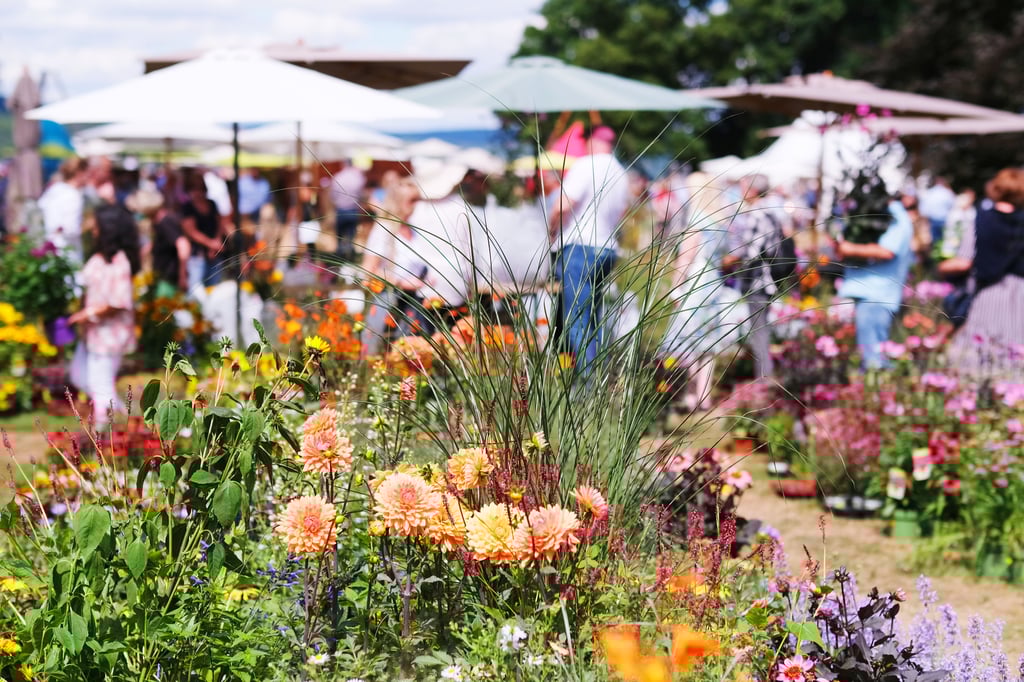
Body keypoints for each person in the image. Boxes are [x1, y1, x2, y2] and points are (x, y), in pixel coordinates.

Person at [662, 172, 747, 410]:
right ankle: (704, 395)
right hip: (713, 284)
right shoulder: (720, 224)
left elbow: (685, 258)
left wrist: (676, 288)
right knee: (708, 343)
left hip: (695, 284)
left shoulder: (697, 222)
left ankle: (691, 394)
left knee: (689, 341)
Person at [547, 124, 630, 367]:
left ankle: (588, 385)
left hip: (580, 247)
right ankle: (597, 377)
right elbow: (622, 213)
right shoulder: (620, 172)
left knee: (577, 318)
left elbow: (562, 205)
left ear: (592, 140)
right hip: (607, 248)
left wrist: (552, 228)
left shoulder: (586, 165)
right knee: (593, 316)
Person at [941, 168, 1024, 377]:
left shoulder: (982, 220)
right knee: (1015, 349)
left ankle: (977, 396)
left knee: (980, 349)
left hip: (988, 293)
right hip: (1020, 295)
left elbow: (964, 261)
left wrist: (942, 267)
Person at [67, 204, 140, 428]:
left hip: (110, 334)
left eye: (97, 226)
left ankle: (102, 437)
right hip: (95, 332)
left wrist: (86, 314)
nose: (93, 230)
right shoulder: (100, 257)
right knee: (80, 376)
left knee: (99, 385)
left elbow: (118, 302)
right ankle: (121, 418)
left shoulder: (120, 263)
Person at [836, 196, 914, 369]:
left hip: (877, 295)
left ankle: (876, 390)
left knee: (874, 359)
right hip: (867, 292)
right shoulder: (875, 212)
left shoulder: (897, 217)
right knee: (868, 354)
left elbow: (888, 251)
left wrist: (850, 248)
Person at [722, 174, 785, 379]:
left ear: (753, 191)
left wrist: (729, 262)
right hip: (767, 281)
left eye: (743, 188)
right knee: (762, 330)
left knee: (758, 333)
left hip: (757, 281)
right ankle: (764, 378)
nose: (741, 193)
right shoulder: (771, 213)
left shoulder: (757, 214)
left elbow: (751, 252)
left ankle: (763, 381)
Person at [361, 174, 429, 350]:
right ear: (398, 201)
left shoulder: (415, 230)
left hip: (415, 307)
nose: (418, 204)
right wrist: (402, 283)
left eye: (418, 199)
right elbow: (368, 271)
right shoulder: (385, 229)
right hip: (390, 305)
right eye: (413, 200)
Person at [38, 157, 89, 262]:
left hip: (49, 246)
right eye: (87, 173)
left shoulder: (54, 189)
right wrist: (88, 225)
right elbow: (71, 229)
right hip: (68, 252)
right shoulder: (74, 195)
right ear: (79, 173)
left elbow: (41, 208)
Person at [181, 179, 227, 290]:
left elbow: (220, 223)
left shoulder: (212, 204)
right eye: (195, 189)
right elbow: (191, 232)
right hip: (197, 254)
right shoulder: (188, 207)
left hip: (214, 253)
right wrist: (211, 244)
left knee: (214, 289)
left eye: (201, 189)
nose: (198, 193)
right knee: (196, 290)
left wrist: (216, 242)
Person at [149, 195, 190, 297]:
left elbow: (183, 245)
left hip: (170, 279)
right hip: (164, 277)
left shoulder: (166, 222)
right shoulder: (160, 223)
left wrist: (182, 275)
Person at [329, 159, 366, 267]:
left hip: (341, 210)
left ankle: (340, 262)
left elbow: (333, 196)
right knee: (351, 238)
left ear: (343, 164)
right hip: (353, 210)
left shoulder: (338, 177)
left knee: (340, 238)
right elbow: (361, 195)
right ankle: (349, 262)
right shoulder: (358, 178)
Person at [919, 176, 956, 251]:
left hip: (933, 221)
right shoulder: (947, 192)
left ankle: (936, 257)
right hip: (945, 221)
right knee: (946, 242)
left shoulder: (929, 193)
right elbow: (954, 205)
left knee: (935, 243)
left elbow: (923, 210)